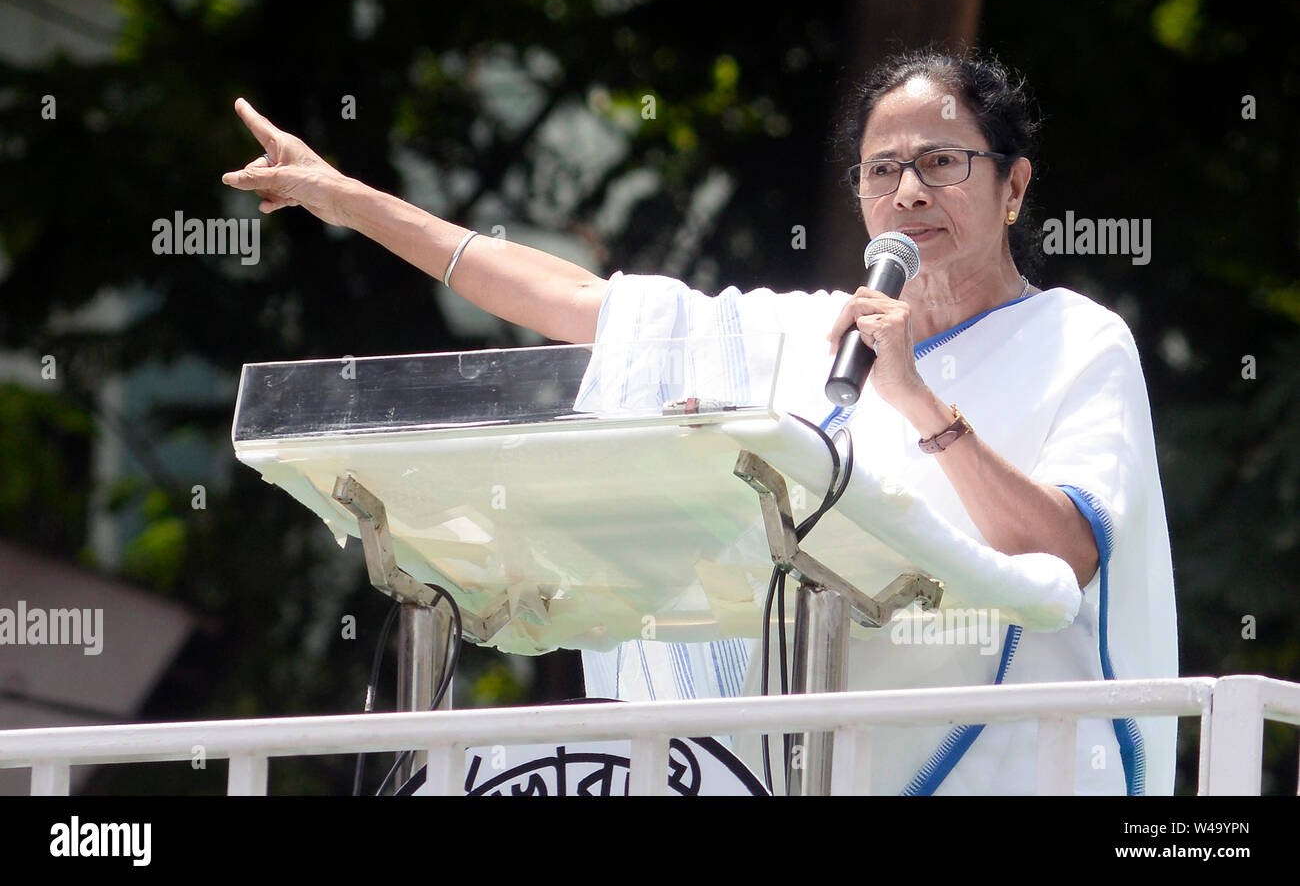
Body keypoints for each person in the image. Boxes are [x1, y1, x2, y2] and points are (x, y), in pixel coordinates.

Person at [222, 48, 1179, 796]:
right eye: (881, 170)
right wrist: (351, 203)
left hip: (1020, 764)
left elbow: (1065, 551)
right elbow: (581, 304)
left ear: (1013, 186)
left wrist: (919, 401)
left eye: (942, 162)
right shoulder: (806, 333)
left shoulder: (1078, 340)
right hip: (816, 767)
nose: (908, 193)